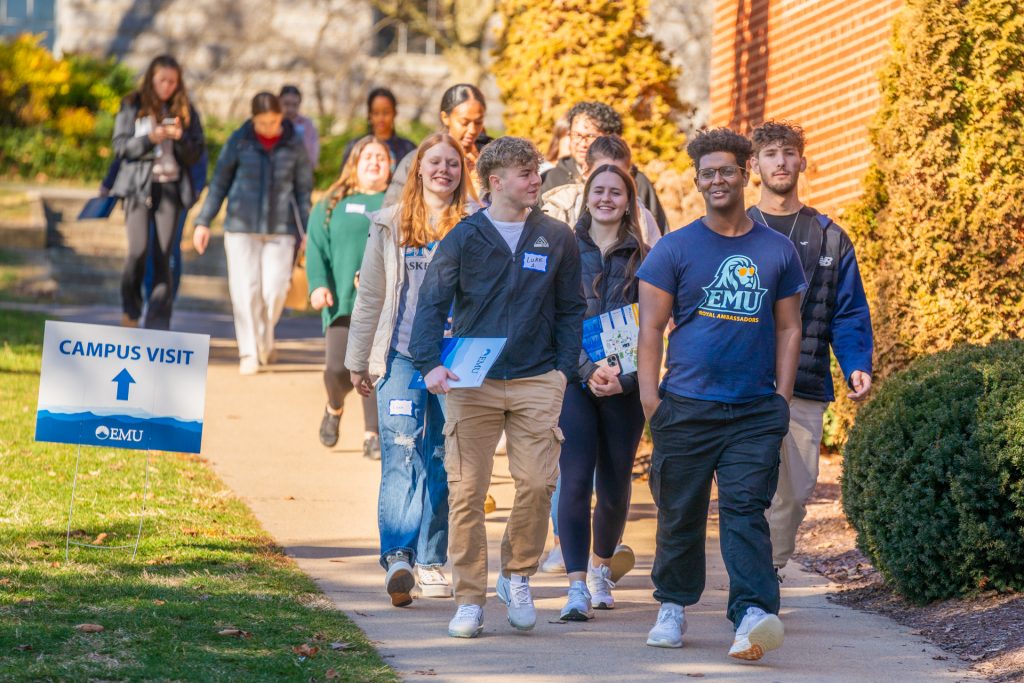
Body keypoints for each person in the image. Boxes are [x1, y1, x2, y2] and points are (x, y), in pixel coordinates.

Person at [636, 128, 805, 659]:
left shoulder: (777, 250)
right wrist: (650, 401)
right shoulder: (675, 247)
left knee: (744, 511)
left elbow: (788, 328)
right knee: (680, 511)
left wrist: (781, 397)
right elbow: (650, 330)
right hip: (685, 406)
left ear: (745, 172)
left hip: (754, 410)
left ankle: (752, 613)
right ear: (697, 180)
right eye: (707, 172)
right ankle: (672, 605)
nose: (716, 180)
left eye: (726, 171)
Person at [410, 136, 585, 639]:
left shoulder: (556, 236)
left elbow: (572, 307)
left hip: (537, 378)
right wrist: (429, 364)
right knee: (467, 492)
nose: (536, 180)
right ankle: (468, 600)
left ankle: (517, 575)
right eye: (526, 173)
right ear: (495, 182)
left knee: (535, 484)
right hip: (471, 381)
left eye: (536, 171)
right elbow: (431, 303)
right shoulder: (464, 237)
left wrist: (560, 369)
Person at [344, 133, 470, 607]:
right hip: (399, 355)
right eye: (434, 162)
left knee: (443, 455)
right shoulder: (390, 223)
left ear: (462, 172)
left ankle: (434, 558)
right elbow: (371, 296)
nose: (443, 170)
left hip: (456, 358)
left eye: (452, 164)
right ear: (418, 169)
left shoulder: (477, 224)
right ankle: (399, 556)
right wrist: (358, 360)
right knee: (400, 448)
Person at [747, 120, 873, 577]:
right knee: (749, 489)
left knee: (797, 491)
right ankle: (759, 578)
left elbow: (848, 308)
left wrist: (856, 361)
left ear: (801, 160)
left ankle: (769, 567)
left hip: (805, 380)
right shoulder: (737, 229)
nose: (780, 161)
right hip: (744, 382)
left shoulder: (829, 235)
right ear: (753, 165)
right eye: (770, 154)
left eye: (788, 152)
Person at [557, 164, 649, 621]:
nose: (607, 199)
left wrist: (624, 379)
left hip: (625, 388)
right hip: (576, 384)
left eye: (616, 192)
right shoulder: (565, 249)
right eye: (599, 191)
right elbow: (555, 320)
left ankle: (600, 569)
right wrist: (586, 370)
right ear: (587, 197)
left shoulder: (648, 257)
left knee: (613, 490)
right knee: (573, 482)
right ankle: (575, 586)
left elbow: (654, 331)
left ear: (629, 202)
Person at [192, 92, 313, 375]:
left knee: (274, 291)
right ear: (253, 119)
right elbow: (220, 182)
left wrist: (308, 230)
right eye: (262, 122)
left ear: (281, 117)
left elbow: (303, 190)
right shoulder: (239, 140)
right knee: (245, 291)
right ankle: (248, 351)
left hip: (281, 229)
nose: (268, 128)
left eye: (273, 121)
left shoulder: (293, 144)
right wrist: (203, 221)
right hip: (240, 227)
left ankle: (265, 339)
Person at [305, 136, 391, 458]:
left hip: (380, 306)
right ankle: (334, 405)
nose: (374, 162)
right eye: (367, 156)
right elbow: (315, 247)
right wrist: (317, 285)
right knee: (337, 370)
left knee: (372, 368)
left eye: (381, 157)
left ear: (390, 166)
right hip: (341, 301)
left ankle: (373, 436)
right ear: (354, 162)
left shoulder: (396, 202)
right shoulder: (331, 203)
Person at [110, 54, 204, 329]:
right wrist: (150, 138)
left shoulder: (185, 109)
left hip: (171, 189)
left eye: (173, 81)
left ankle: (158, 320)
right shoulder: (132, 105)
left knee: (165, 254)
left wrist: (180, 138)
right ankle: (131, 310)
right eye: (162, 80)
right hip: (139, 188)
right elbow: (120, 147)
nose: (167, 86)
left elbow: (197, 152)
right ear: (152, 78)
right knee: (138, 250)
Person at [100, 147, 208, 306]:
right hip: (142, 189)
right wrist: (109, 182)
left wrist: (196, 187)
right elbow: (126, 147)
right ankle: (147, 299)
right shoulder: (140, 122)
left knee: (169, 249)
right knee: (143, 247)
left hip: (176, 193)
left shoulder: (183, 123)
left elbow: (196, 147)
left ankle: (165, 301)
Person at [540, 101, 668, 235]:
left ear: (610, 138)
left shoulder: (637, 181)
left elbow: (657, 234)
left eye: (590, 136)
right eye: (577, 135)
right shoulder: (551, 179)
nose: (582, 143)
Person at [542, 135, 661, 247]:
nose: (608, 178)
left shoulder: (642, 218)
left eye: (618, 174)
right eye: (601, 171)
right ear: (585, 171)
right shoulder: (560, 210)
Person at [384, 83, 486, 207]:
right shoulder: (416, 159)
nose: (473, 129)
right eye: (464, 122)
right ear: (445, 117)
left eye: (478, 122)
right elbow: (391, 211)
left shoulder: (491, 161)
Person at [340, 87, 417, 174]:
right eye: (376, 113)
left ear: (395, 113)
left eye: (386, 112)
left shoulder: (408, 148)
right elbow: (345, 179)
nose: (381, 118)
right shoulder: (356, 146)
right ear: (369, 115)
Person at [280, 85, 320, 168]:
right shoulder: (272, 124)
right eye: (286, 104)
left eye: (295, 105)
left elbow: (313, 154)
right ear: (278, 101)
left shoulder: (307, 124)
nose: (290, 109)